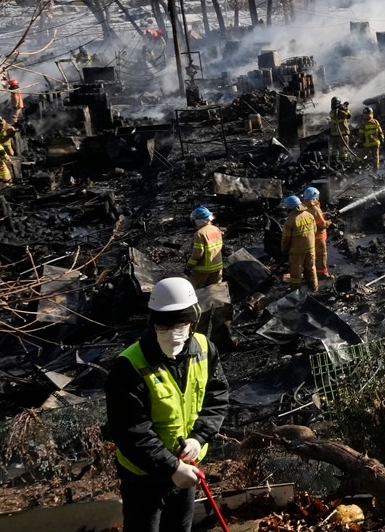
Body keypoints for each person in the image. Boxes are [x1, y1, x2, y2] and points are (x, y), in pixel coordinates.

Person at [105, 277, 229, 532]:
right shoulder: (129, 365)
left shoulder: (204, 349)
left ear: (193, 321)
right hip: (143, 476)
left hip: (187, 467)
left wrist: (198, 438)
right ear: (153, 323)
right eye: (165, 326)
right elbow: (130, 430)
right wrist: (171, 466)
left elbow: (216, 397)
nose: (173, 333)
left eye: (181, 324)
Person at [281, 195, 318, 292]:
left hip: (297, 251)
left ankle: (295, 290)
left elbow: (286, 239)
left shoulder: (290, 220)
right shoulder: (309, 215)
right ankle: (314, 287)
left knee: (296, 271)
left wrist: (284, 250)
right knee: (311, 268)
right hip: (310, 248)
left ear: (290, 207)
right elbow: (315, 230)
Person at [185, 207, 223, 289]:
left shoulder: (199, 234)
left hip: (203, 269)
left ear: (198, 221)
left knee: (194, 290)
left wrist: (188, 266)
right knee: (216, 290)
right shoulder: (216, 229)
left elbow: (197, 254)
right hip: (217, 266)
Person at [303, 187, 332, 280]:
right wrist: (329, 222)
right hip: (318, 237)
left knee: (311, 256)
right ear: (314, 197)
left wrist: (323, 214)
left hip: (308, 237)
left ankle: (310, 272)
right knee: (321, 255)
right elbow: (322, 224)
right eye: (317, 196)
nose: (318, 198)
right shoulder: (315, 209)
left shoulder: (303, 207)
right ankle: (322, 274)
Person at [358, 106, 384, 171]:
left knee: (360, 156)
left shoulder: (363, 123)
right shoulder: (375, 121)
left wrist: (359, 142)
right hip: (375, 143)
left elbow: (361, 134)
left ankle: (353, 168)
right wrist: (382, 140)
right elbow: (380, 132)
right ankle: (375, 171)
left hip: (367, 144)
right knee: (376, 157)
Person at [329, 97, 351, 161]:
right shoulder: (341, 112)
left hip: (334, 134)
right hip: (342, 134)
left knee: (335, 149)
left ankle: (334, 161)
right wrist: (345, 108)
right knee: (343, 149)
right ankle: (344, 161)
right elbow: (348, 116)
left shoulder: (331, 112)